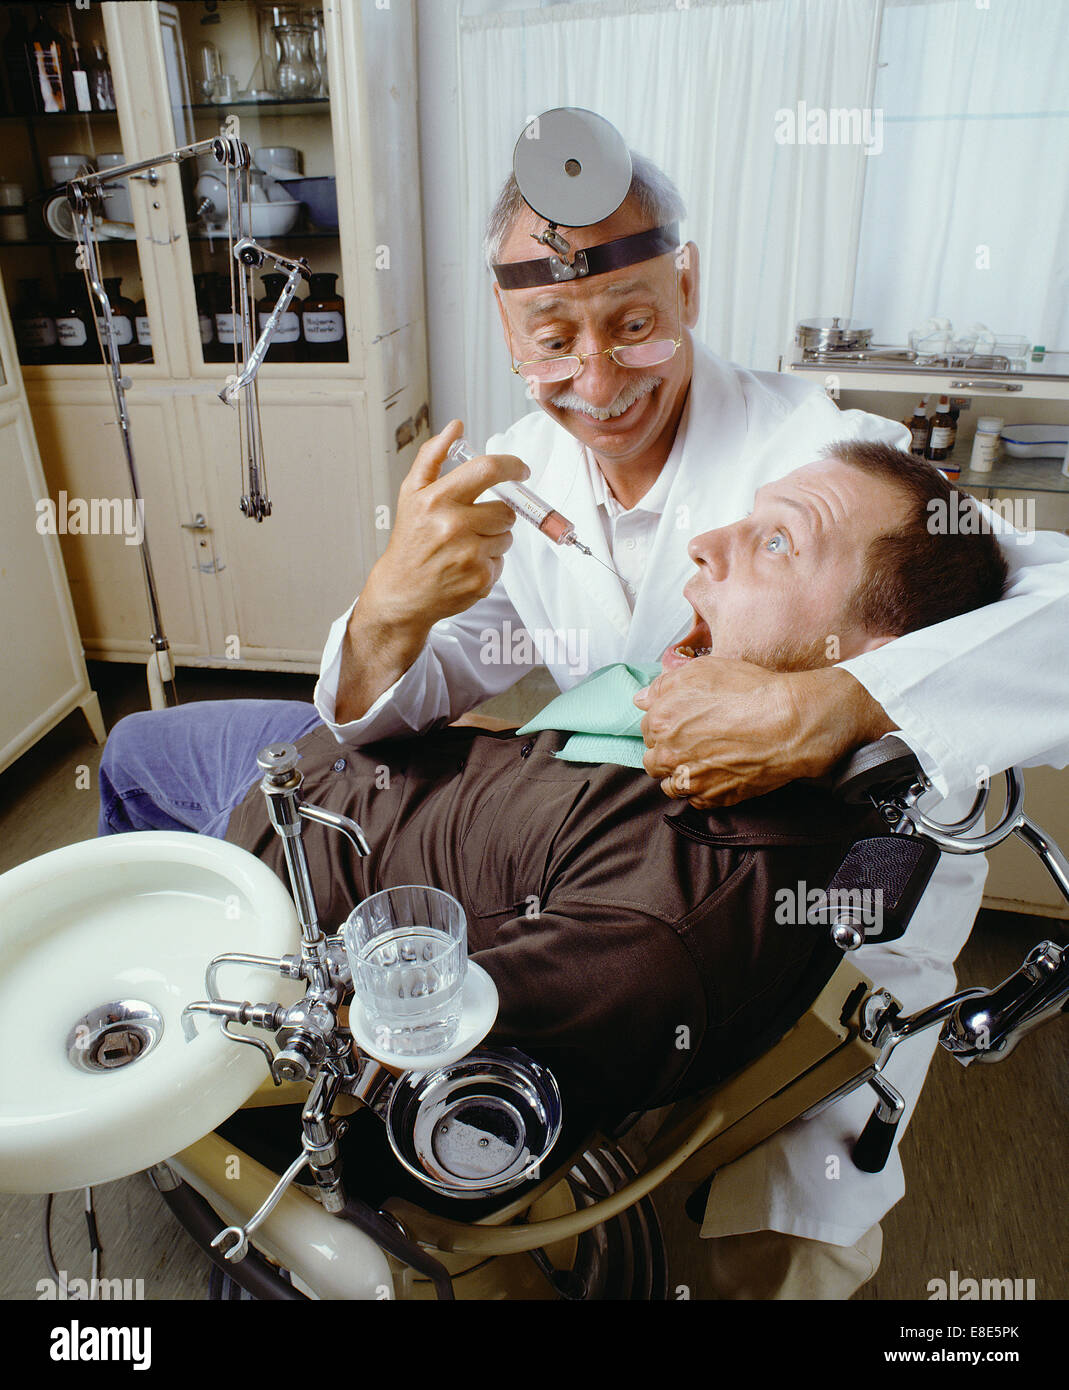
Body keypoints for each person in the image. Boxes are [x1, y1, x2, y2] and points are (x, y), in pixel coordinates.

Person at [97, 146, 1069, 1296]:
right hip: (494, 792)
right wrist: (391, 609)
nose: (597, 377)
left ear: (690, 289)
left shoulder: (820, 460)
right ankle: (160, 1071)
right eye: (554, 337)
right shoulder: (530, 474)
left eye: (633, 322)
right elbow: (409, 689)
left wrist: (838, 701)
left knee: (775, 1233)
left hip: (727, 908)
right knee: (137, 754)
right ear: (511, 340)